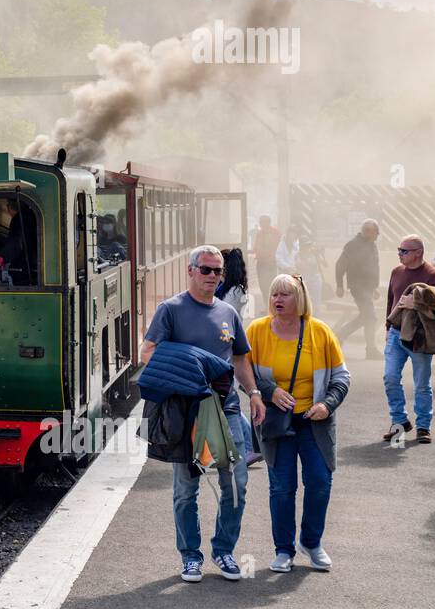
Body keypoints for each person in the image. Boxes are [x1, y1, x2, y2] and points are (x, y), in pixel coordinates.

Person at [140, 245, 265, 583]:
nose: (212, 276)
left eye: (218, 271)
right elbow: (148, 353)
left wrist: (253, 392)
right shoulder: (170, 310)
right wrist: (191, 363)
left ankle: (224, 551)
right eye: (206, 269)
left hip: (226, 410)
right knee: (186, 489)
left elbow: (240, 358)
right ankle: (190, 557)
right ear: (190, 270)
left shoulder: (228, 313)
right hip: (186, 411)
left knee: (236, 484)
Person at [248, 274, 349, 572]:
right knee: (282, 487)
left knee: (319, 481)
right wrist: (269, 391)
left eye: (285, 294)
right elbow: (243, 373)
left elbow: (342, 377)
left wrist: (326, 405)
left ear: (300, 298)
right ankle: (283, 550)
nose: (278, 300)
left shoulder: (320, 332)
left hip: (314, 421)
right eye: (274, 294)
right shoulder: (256, 330)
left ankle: (312, 542)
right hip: (277, 423)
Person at [382, 235, 435, 444]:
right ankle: (400, 423)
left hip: (419, 336)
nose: (399, 254)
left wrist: (417, 302)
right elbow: (391, 300)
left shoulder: (432, 275)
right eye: (399, 250)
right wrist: (387, 327)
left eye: (404, 251)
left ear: (418, 252)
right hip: (395, 332)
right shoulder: (396, 272)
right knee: (390, 378)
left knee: (421, 384)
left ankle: (423, 426)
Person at [216, 248, 262, 466]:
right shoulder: (232, 288)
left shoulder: (234, 293)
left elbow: (220, 317)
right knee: (226, 401)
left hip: (227, 351)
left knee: (226, 402)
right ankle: (248, 447)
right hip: (225, 351)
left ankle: (250, 447)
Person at [334, 219, 382, 360]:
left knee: (365, 317)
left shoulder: (372, 245)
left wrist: (375, 287)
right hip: (358, 286)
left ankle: (339, 336)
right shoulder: (353, 245)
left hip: (368, 287)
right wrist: (339, 285)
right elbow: (340, 265)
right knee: (371, 317)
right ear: (367, 232)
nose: (377, 236)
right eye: (375, 233)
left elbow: (374, 267)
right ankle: (371, 350)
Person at [251, 216, 280, 315]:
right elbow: (256, 247)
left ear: (268, 223)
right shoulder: (259, 234)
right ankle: (266, 306)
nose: (262, 225)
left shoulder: (275, 233)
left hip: (271, 262)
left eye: (263, 223)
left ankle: (273, 306)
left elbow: (276, 247)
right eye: (261, 223)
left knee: (271, 285)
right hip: (261, 262)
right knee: (263, 285)